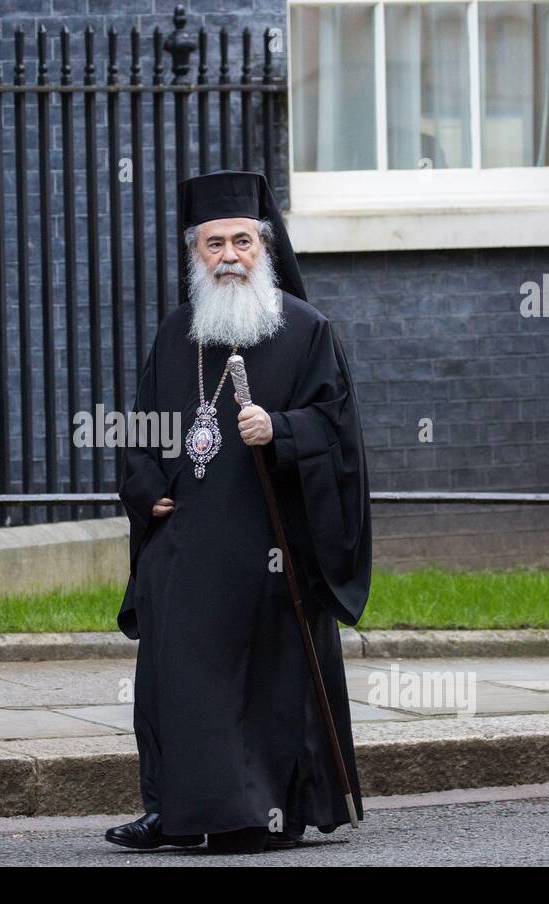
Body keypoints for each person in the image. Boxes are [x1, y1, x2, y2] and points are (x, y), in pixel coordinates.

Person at [107, 169, 372, 853]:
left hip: (269, 545)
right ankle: (172, 810)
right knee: (174, 674)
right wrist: (144, 488)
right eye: (214, 243)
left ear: (266, 248)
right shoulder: (176, 336)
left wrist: (281, 431)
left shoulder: (308, 332)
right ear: (196, 254)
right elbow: (142, 432)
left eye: (243, 241)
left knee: (261, 674)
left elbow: (338, 436)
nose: (229, 255)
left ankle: (260, 811)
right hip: (185, 538)